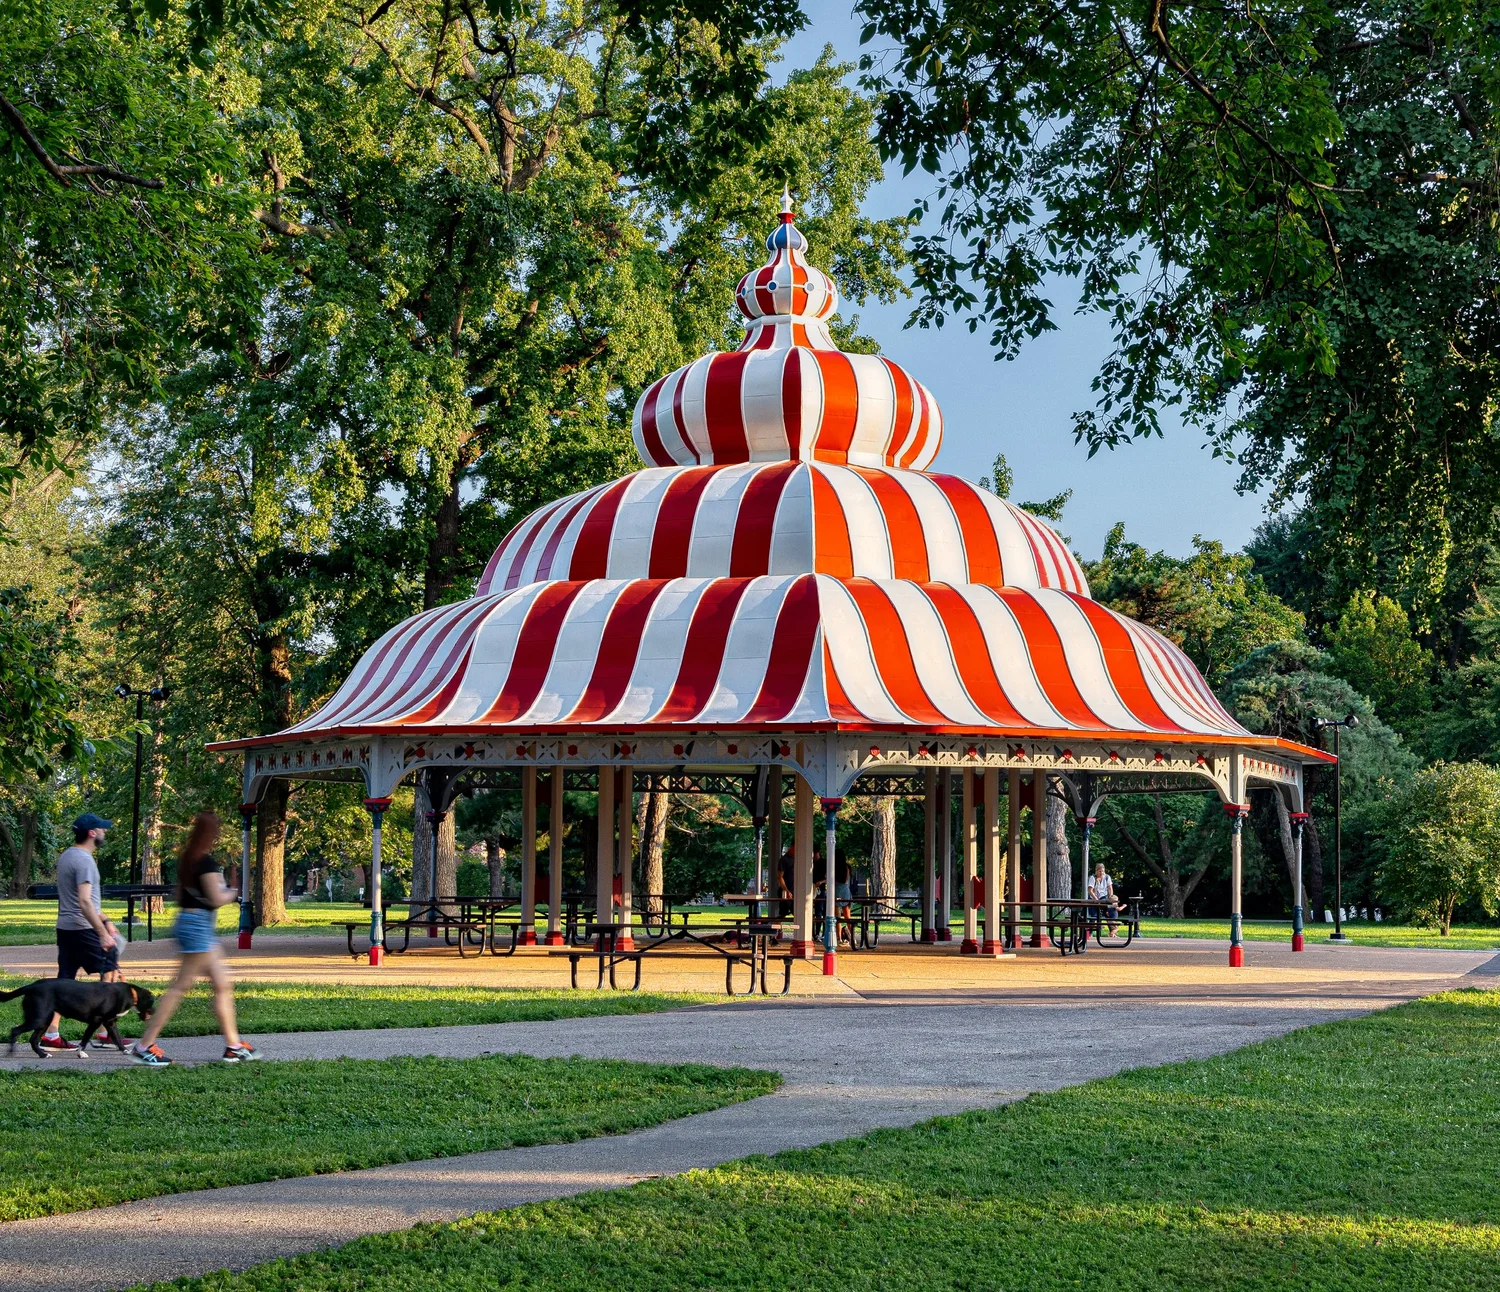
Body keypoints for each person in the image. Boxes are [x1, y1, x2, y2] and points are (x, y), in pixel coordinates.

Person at [130, 812, 261, 1066]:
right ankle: (144, 1046)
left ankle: (233, 1045)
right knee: (179, 988)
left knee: (222, 984)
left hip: (190, 923)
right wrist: (232, 893)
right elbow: (215, 898)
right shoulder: (205, 862)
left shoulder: (188, 860)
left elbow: (180, 896)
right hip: (198, 926)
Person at [40, 813, 123, 1052]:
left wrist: (105, 920)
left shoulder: (67, 856)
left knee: (64, 981)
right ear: (92, 833)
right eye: (102, 829)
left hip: (66, 927)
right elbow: (85, 902)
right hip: (83, 927)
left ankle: (51, 1034)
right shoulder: (85, 861)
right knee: (109, 972)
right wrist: (102, 933)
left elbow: (85, 901)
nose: (105, 832)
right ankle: (105, 1032)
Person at [1087, 862, 1122, 933]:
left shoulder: (1107, 877)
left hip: (1104, 897)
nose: (1101, 873)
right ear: (1096, 871)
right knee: (1093, 915)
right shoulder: (1092, 878)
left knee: (1112, 909)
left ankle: (1112, 930)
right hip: (1093, 898)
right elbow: (1090, 890)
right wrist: (1096, 899)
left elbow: (1110, 888)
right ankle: (1090, 933)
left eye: (1103, 871)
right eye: (1099, 871)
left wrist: (1111, 898)